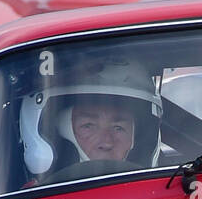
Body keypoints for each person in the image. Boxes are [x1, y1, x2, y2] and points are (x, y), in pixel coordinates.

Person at [20, 61, 163, 187]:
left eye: (118, 128)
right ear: (59, 136)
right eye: (88, 126)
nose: (107, 142)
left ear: (135, 139)